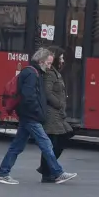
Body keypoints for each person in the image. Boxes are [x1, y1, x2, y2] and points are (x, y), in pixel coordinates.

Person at [0, 47, 74, 185]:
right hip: (30, 116)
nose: (50, 66)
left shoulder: (34, 72)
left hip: (27, 116)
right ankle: (58, 173)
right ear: (41, 61)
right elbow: (29, 96)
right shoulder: (32, 74)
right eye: (48, 63)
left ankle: (3, 173)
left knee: (17, 146)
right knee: (46, 143)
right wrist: (38, 113)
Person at [37, 45, 73, 181]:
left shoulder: (55, 72)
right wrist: (58, 103)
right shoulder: (50, 74)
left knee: (57, 141)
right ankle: (47, 172)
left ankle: (46, 171)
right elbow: (47, 92)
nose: (63, 61)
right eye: (62, 58)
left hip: (58, 115)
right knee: (52, 143)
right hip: (52, 114)